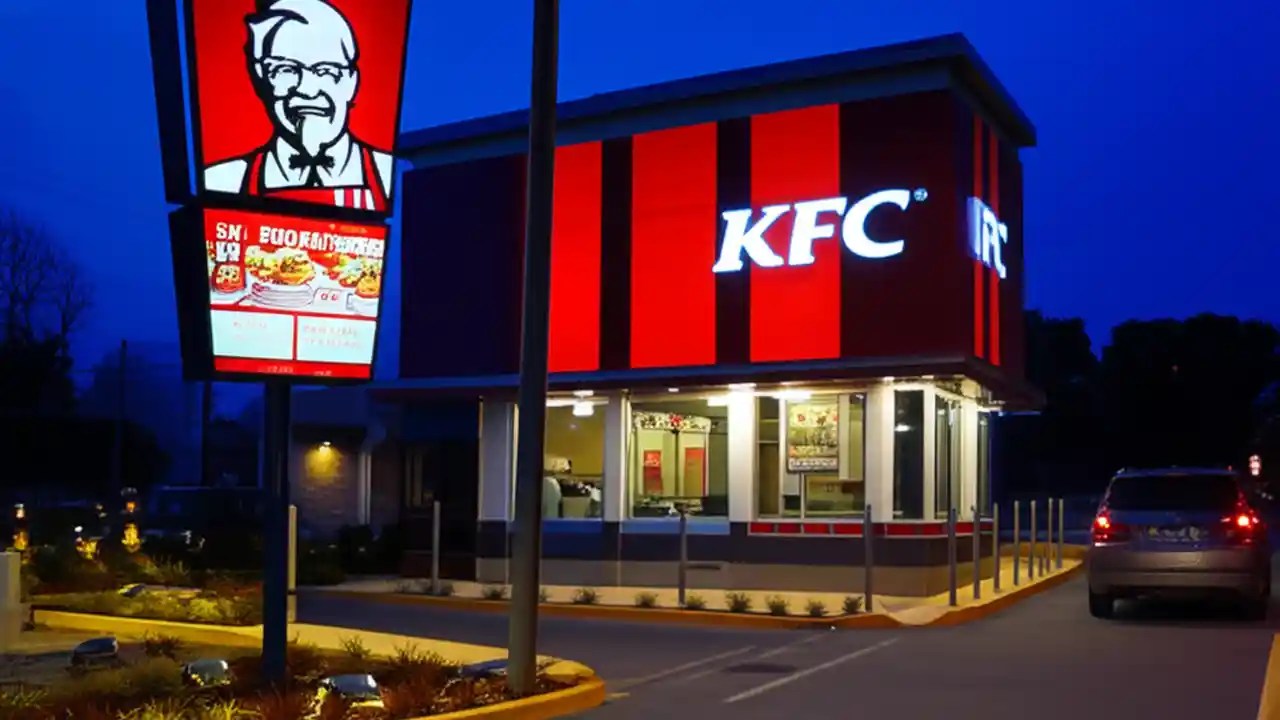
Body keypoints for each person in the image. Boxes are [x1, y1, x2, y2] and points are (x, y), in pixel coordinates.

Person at [203, 0, 394, 211]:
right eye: (286, 69)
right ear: (262, 79)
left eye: (326, 71)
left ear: (351, 82)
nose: (307, 90)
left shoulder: (391, 178)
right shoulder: (221, 183)